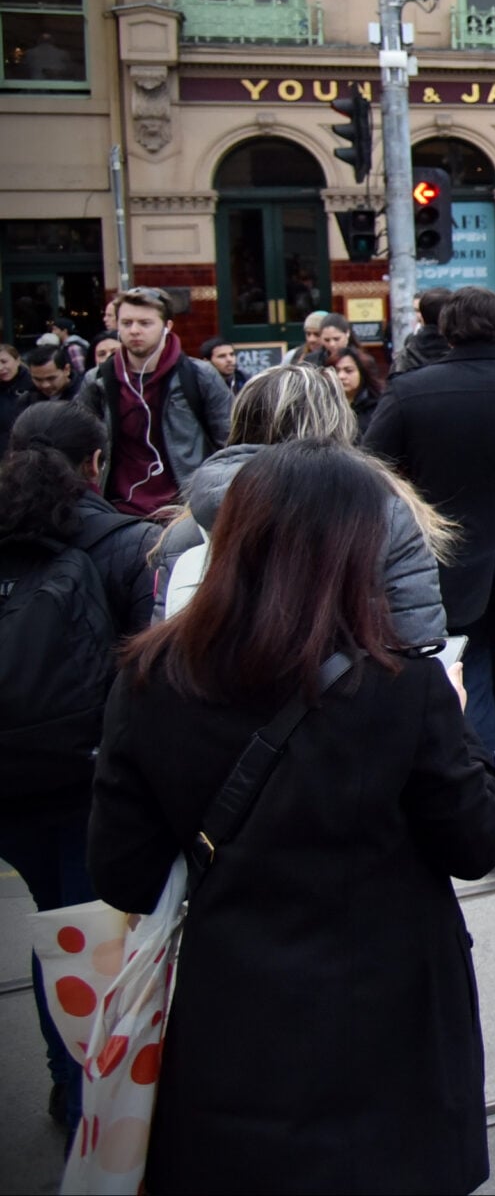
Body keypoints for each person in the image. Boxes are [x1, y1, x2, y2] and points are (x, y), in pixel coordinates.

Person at [90, 439, 495, 1190]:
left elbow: (122, 872)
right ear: (358, 549)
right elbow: (477, 841)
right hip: (391, 1018)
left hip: (232, 1015)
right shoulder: (401, 689)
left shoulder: (149, 677)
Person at [0, 403, 156, 1135]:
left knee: (51, 920)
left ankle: (68, 1086)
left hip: (10, 775)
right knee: (95, 930)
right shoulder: (127, 545)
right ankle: (102, 1091)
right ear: (96, 464)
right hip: (93, 776)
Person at [364, 286, 495, 826]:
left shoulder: (410, 391)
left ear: (445, 331)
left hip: (445, 559)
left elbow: (372, 471)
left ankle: (489, 782)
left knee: (471, 674)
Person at [154, 361, 450, 647]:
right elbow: (418, 637)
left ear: (242, 422)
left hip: (219, 692)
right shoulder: (385, 512)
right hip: (351, 689)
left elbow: (164, 649)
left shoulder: (188, 529)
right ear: (337, 426)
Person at [73, 285, 233, 516]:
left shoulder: (199, 375)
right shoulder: (98, 380)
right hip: (119, 509)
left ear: (167, 326)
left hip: (185, 508)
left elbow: (229, 441)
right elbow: (80, 444)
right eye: (126, 323)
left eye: (145, 323)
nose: (134, 331)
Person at [397, 288, 454, 374]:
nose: (419, 316)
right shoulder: (410, 341)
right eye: (416, 311)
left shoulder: (457, 342)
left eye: (420, 311)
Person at [333, 346, 384, 438]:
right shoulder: (327, 405)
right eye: (336, 371)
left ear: (362, 373)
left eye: (348, 371)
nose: (341, 376)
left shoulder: (378, 406)